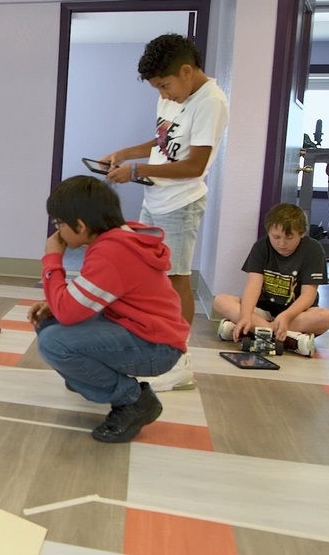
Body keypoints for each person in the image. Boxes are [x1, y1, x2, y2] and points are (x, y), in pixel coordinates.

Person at [101, 33, 229, 390]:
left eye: (165, 85)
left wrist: (138, 171)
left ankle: (179, 361)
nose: (163, 95)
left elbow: (194, 166)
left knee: (176, 279)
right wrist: (128, 153)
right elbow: (163, 141)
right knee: (152, 278)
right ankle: (155, 347)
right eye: (157, 88)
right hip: (154, 199)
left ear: (186, 71)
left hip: (180, 203)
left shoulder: (210, 102)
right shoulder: (174, 97)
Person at [28, 176, 190, 443]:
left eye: (59, 224)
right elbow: (88, 298)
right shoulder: (119, 239)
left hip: (156, 347)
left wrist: (52, 258)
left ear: (79, 225)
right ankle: (88, 378)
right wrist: (57, 305)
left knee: (53, 342)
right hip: (143, 331)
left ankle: (134, 400)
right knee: (49, 320)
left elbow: (69, 312)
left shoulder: (112, 253)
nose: (57, 232)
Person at [212, 203, 329, 357]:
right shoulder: (261, 246)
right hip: (263, 311)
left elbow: (308, 296)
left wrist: (286, 316)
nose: (281, 243)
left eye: (289, 238)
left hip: (295, 315)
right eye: (276, 237)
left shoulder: (313, 250)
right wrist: (245, 315)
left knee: (326, 317)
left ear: (301, 234)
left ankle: (252, 331)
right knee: (220, 300)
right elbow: (253, 286)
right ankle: (290, 339)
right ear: (269, 232)